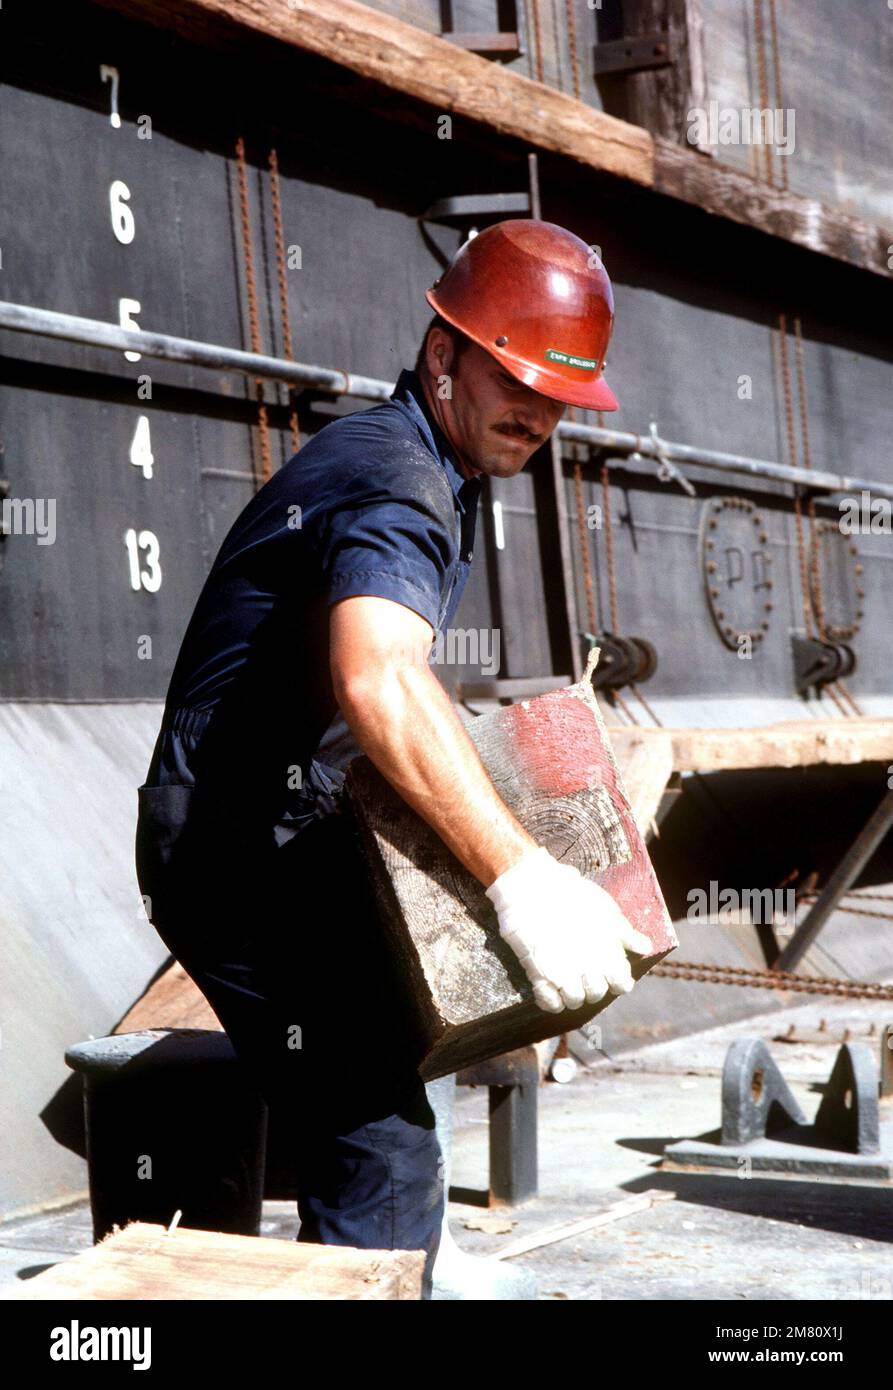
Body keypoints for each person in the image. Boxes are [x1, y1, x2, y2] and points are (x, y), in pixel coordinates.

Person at [134, 219, 650, 1298]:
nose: (537, 415)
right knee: (371, 1121)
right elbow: (377, 677)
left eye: (559, 399)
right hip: (229, 848)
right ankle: (376, 1268)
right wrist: (518, 878)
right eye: (514, 380)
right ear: (440, 356)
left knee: (396, 1043)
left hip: (285, 821)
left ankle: (399, 1256)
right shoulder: (395, 483)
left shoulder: (428, 463)